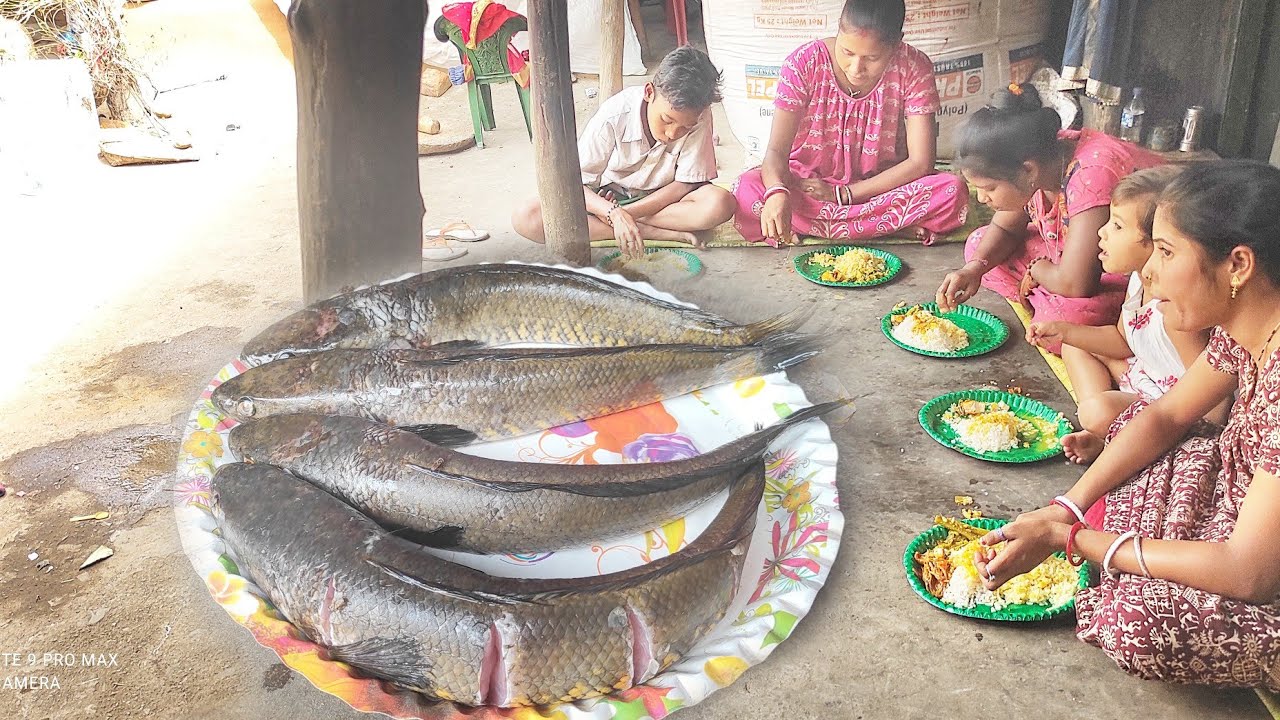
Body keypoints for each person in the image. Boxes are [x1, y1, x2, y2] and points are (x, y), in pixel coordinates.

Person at [975, 161, 1280, 689]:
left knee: (1139, 627)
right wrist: (1065, 507)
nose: (1150, 272)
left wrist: (1070, 539)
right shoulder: (1246, 330)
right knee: (1138, 421)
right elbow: (1167, 412)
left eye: (1165, 252)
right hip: (1242, 499)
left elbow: (1246, 573)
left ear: (1238, 265)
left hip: (1260, 569)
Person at [935, 83, 1163, 352]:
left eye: (989, 189)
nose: (982, 199)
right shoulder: (1039, 155)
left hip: (1130, 271)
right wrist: (973, 269)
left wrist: (1036, 269)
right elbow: (1006, 229)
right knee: (978, 246)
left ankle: (1048, 297)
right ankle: (1045, 292)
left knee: (1062, 320)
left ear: (1028, 170)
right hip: (1071, 260)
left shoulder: (1091, 175)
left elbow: (1077, 284)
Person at [1027, 167, 1226, 464]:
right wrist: (1064, 331)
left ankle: (1107, 434)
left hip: (1168, 407)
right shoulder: (1137, 281)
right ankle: (1104, 432)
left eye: (1117, 227)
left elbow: (1213, 410)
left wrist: (1167, 423)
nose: (1101, 232)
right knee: (1074, 346)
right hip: (1141, 376)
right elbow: (1123, 340)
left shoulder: (1176, 312)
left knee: (1095, 412)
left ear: (1156, 244)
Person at [731, 0, 968, 247]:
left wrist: (845, 194)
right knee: (746, 188)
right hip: (808, 184)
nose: (856, 68)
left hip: (880, 187)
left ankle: (818, 227)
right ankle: (885, 226)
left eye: (872, 57)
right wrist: (777, 192)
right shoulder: (804, 63)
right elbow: (776, 151)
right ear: (838, 30)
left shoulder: (914, 67)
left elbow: (920, 162)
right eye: (847, 52)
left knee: (953, 191)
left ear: (897, 43)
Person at [511, 46, 736, 258]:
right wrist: (612, 212)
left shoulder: (700, 115)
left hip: (666, 203)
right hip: (610, 199)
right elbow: (573, 181)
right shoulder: (615, 113)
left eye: (685, 128)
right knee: (526, 217)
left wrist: (625, 215)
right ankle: (651, 232)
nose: (672, 133)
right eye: (667, 120)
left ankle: (627, 226)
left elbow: (686, 183)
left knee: (720, 203)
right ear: (649, 92)